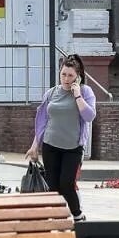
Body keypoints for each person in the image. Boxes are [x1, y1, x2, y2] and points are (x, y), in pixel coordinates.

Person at [27, 56, 95, 222]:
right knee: (53, 186)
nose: (66, 79)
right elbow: (43, 122)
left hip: (73, 148)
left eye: (70, 75)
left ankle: (78, 216)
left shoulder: (86, 92)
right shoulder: (51, 93)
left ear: (78, 76)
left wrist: (77, 95)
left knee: (67, 183)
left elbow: (89, 116)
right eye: (63, 74)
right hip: (51, 145)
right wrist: (35, 146)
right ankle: (57, 218)